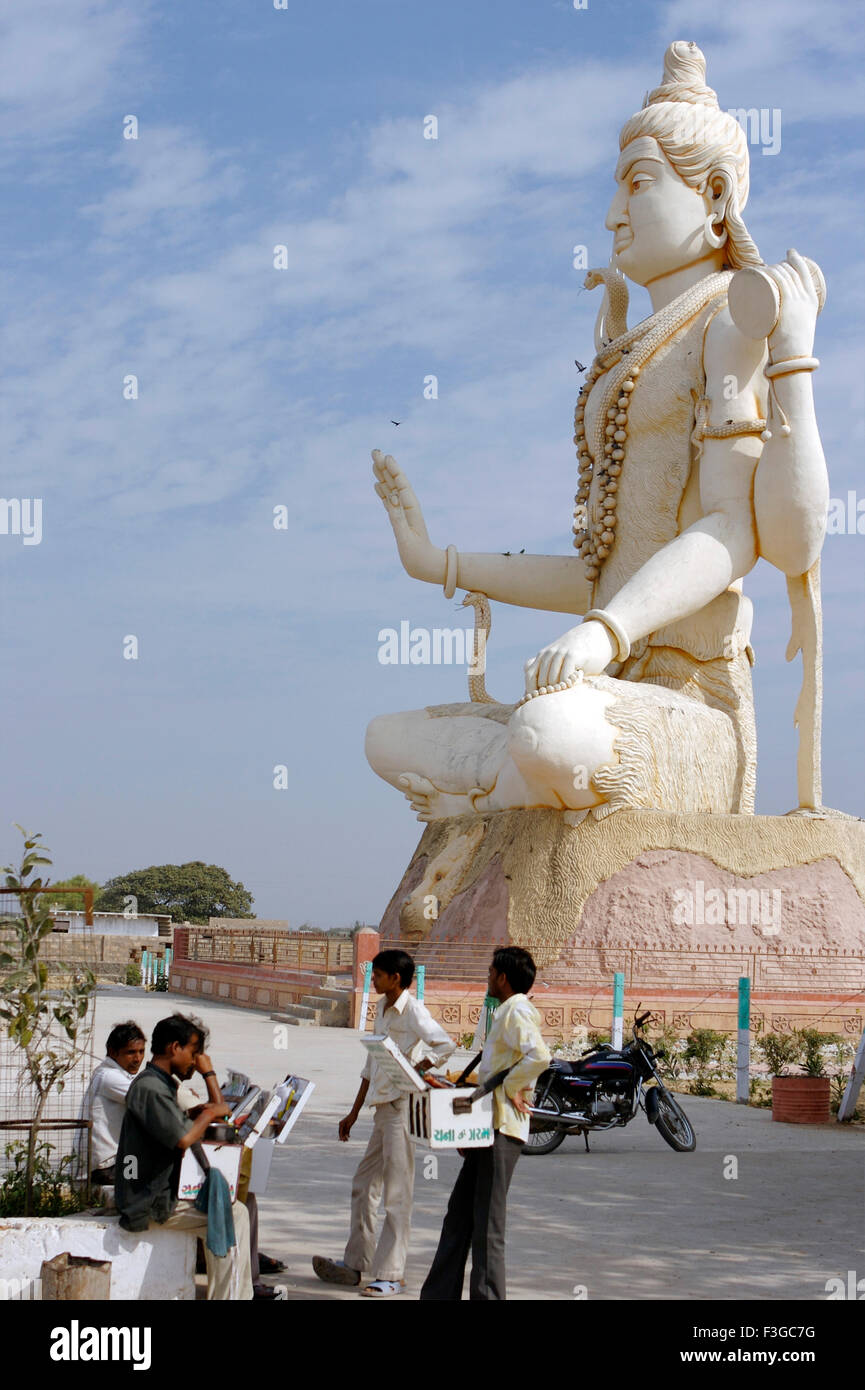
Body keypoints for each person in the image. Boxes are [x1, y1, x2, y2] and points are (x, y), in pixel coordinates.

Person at [365, 41, 828, 825]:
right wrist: (437, 562)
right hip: (602, 677)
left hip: (686, 701)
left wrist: (603, 634)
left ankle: (490, 802)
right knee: (389, 738)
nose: (614, 214)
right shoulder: (631, 352)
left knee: (547, 731)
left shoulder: (729, 322)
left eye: (637, 186)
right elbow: (601, 572)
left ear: (714, 197)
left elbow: (742, 534)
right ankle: (505, 791)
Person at [312, 949, 455, 1297]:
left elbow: (445, 1044)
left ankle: (391, 1273)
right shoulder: (381, 1010)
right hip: (381, 1110)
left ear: (395, 978)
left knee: (396, 1193)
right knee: (364, 1185)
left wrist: (416, 1070)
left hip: (402, 1108)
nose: (372, 980)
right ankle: (357, 1262)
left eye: (377, 975)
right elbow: (370, 1064)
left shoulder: (414, 1010)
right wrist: (353, 1111)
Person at [420, 946, 550, 1301]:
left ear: (503, 978)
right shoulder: (506, 1011)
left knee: (488, 1226)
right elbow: (498, 1070)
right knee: (459, 1217)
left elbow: (539, 1055)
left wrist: (512, 1086)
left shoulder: (517, 1009)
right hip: (487, 1129)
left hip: (503, 1131)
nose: (487, 978)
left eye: (491, 972)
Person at [115, 1012, 253, 1301]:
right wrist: (208, 1091)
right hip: (149, 1201)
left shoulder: (162, 1084)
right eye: (193, 1052)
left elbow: (219, 1110)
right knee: (231, 1213)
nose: (195, 1060)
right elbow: (184, 1138)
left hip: (159, 1193)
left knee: (230, 1209)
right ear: (174, 1048)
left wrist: (208, 1093)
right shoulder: (150, 1088)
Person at [80, 1021, 146, 1185]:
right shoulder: (110, 1077)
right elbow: (152, 1100)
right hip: (107, 1168)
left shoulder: (113, 1073)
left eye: (141, 1051)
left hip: (113, 1163)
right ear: (112, 1052)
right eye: (131, 1052)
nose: (137, 1058)